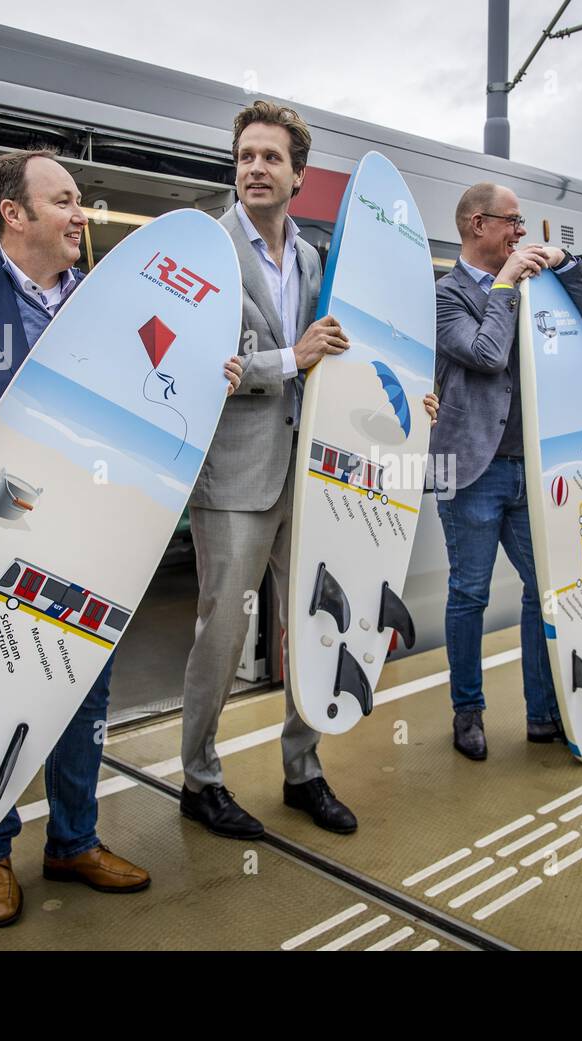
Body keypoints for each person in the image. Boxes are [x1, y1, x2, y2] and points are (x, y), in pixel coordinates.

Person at [0, 150, 235, 925]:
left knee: (78, 692)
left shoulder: (108, 300)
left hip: (87, 536)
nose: (81, 216)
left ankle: (73, 839)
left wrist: (206, 377)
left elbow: (149, 390)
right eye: (64, 201)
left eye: (81, 200)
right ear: (14, 214)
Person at [176, 101, 438, 835]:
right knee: (222, 632)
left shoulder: (314, 256)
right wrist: (291, 358)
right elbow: (203, 366)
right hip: (235, 477)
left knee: (315, 620)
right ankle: (200, 780)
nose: (255, 168)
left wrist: (415, 407)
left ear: (298, 174)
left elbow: (345, 361)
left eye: (270, 157)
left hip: (315, 473)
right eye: (245, 156)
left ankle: (303, 768)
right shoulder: (208, 249)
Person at [431, 181, 582, 759]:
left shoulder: (541, 285)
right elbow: (485, 356)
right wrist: (507, 281)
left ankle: (542, 712)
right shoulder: (442, 294)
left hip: (534, 468)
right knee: (469, 593)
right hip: (465, 467)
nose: (521, 233)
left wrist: (568, 262)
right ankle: (468, 712)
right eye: (512, 222)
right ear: (476, 225)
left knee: (545, 590)